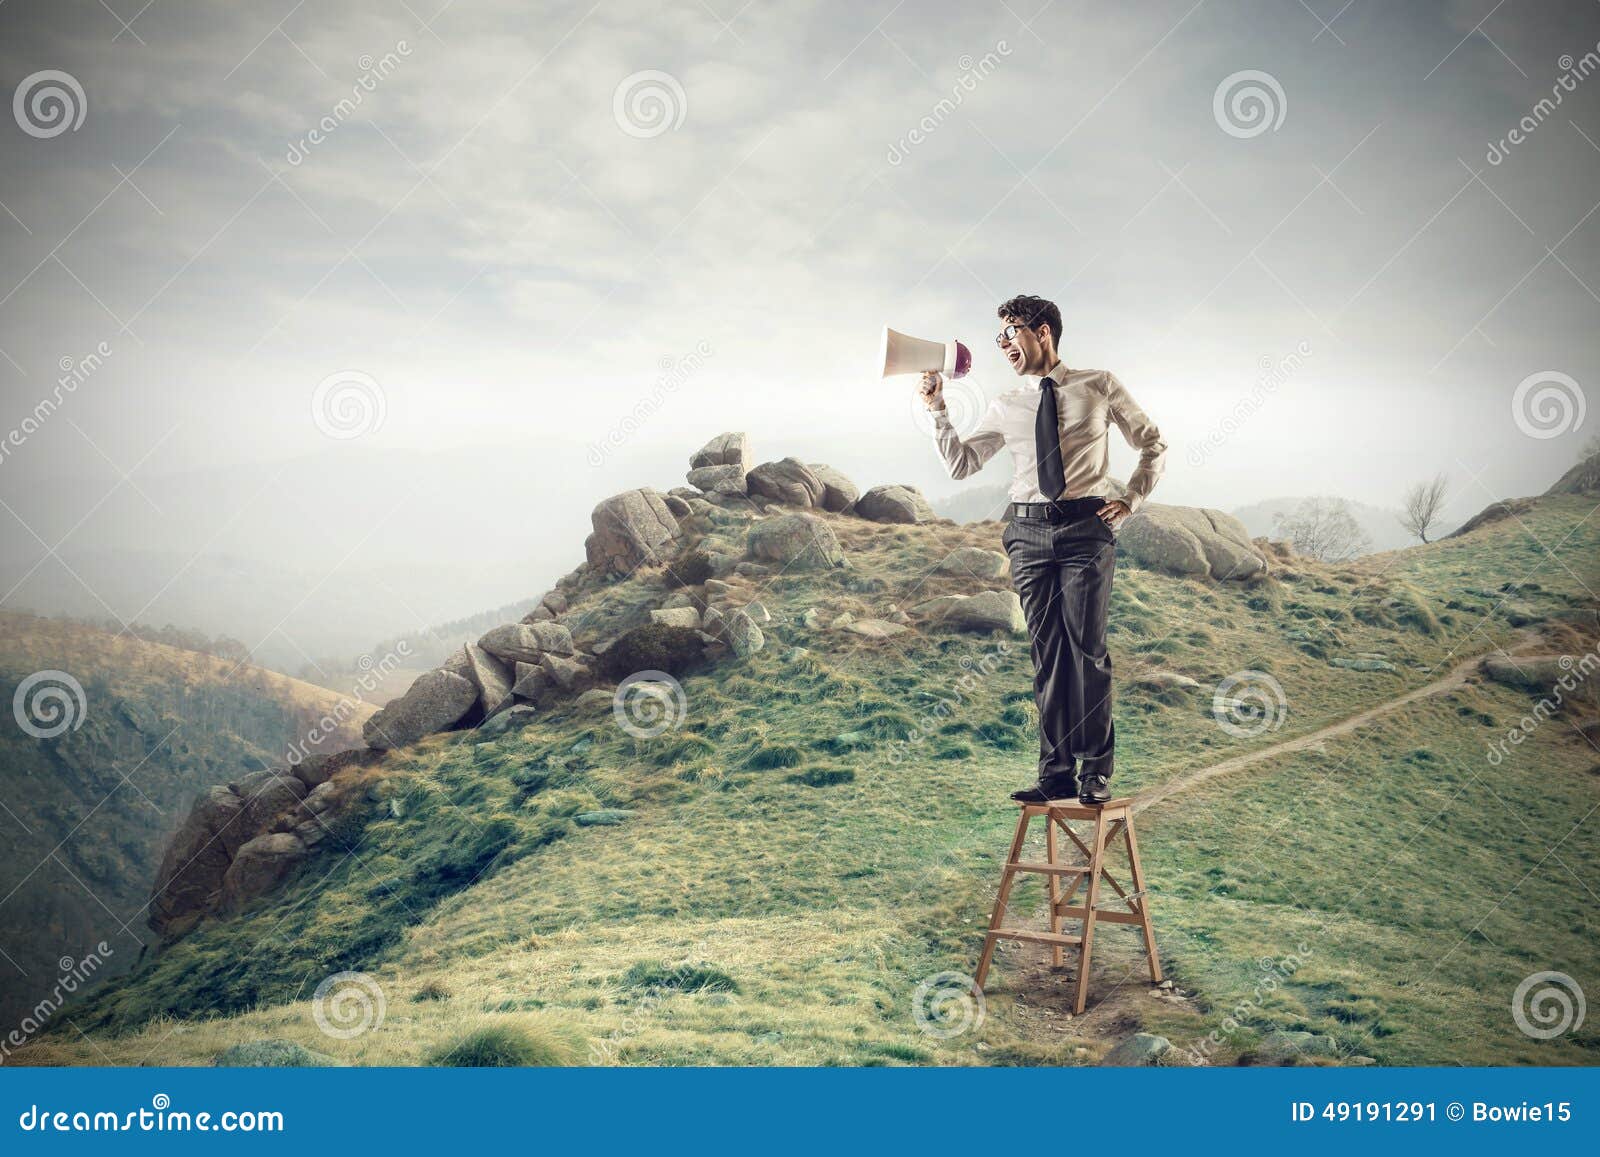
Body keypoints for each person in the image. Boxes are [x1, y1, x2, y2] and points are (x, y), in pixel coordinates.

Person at [920, 294, 1166, 805]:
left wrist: (1132, 499)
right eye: (1001, 336)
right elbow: (962, 464)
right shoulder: (1007, 404)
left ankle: (1094, 772)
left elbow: (1152, 443)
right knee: (1047, 655)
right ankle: (1054, 773)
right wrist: (938, 409)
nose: (1005, 344)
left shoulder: (1098, 385)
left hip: (1085, 529)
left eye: (1012, 332)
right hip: (1027, 534)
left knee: (1085, 651)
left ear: (1043, 332)